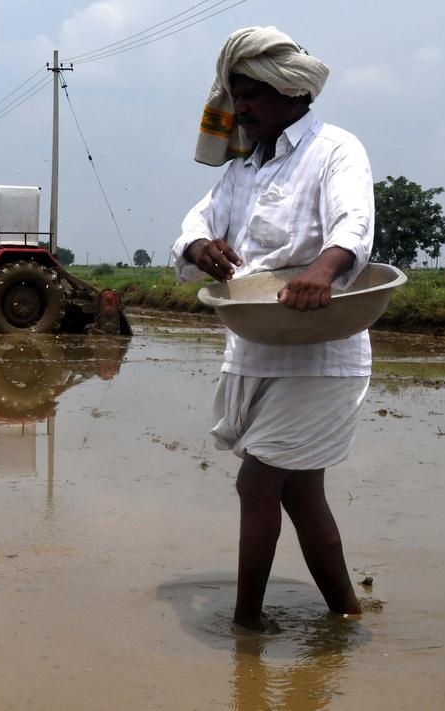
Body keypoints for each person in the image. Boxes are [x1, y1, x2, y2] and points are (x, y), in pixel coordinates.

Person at [171, 26, 374, 631]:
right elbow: (198, 222)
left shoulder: (336, 150)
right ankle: (346, 613)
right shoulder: (243, 168)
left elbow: (354, 224)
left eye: (251, 95)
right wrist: (200, 245)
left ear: (288, 91)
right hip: (259, 345)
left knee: (257, 483)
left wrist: (323, 270)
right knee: (300, 495)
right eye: (236, 96)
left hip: (320, 350)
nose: (242, 109)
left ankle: (245, 627)